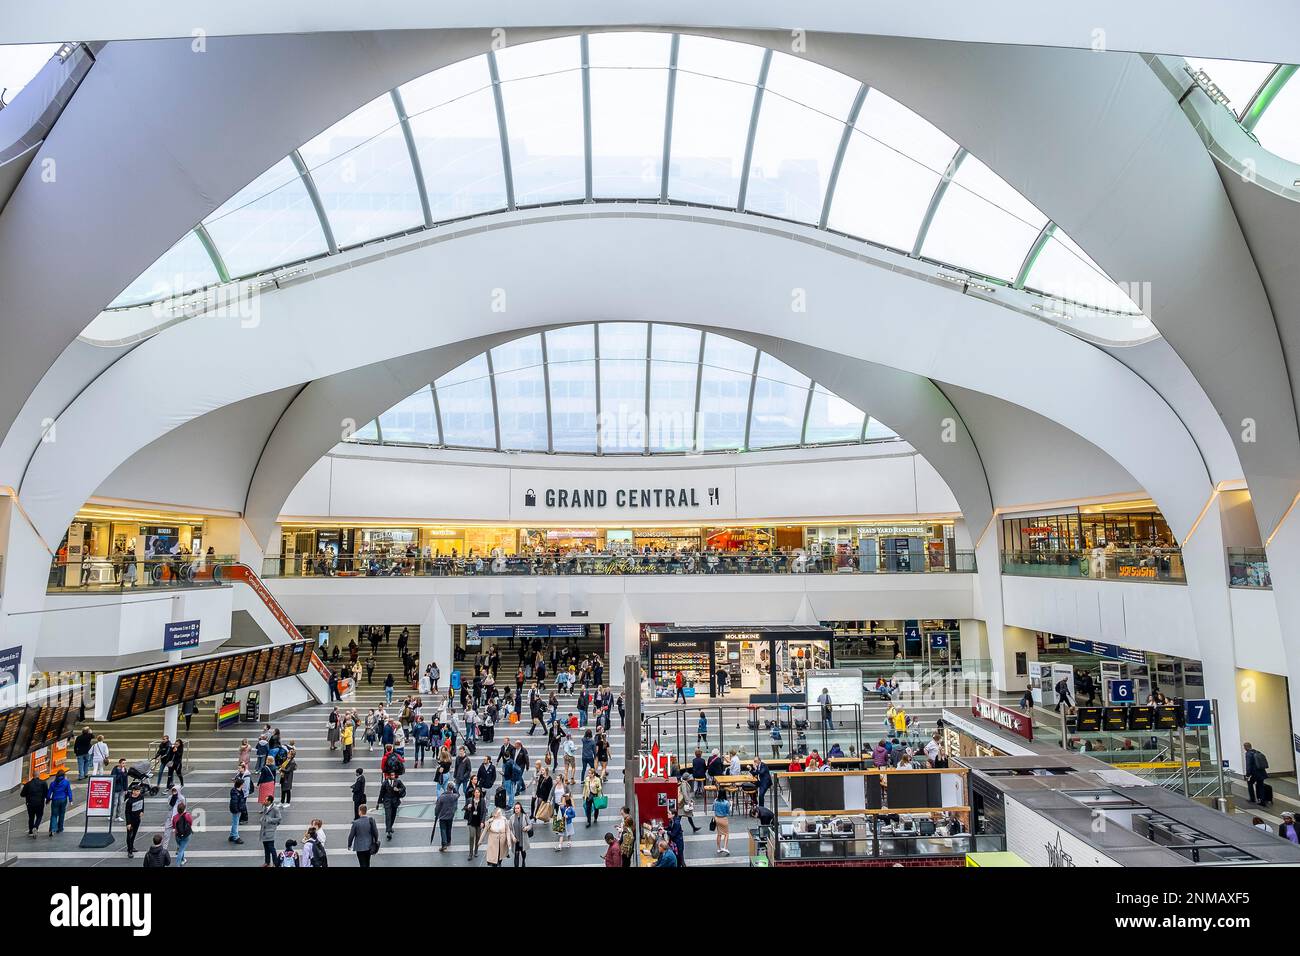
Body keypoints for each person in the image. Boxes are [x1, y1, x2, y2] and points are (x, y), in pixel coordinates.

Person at [378, 773, 406, 840]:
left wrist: (398, 790)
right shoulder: (385, 783)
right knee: (388, 816)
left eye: (394, 775)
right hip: (387, 801)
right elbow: (381, 793)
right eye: (391, 775)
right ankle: (388, 832)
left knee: (393, 815)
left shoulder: (398, 781)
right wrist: (378, 802)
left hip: (395, 801)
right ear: (388, 776)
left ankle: (390, 827)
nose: (393, 776)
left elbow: (403, 788)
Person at [433, 781, 459, 850]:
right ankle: (448, 841)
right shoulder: (454, 796)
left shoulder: (442, 797)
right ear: (452, 789)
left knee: (443, 830)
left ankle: (444, 844)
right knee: (449, 829)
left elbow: (437, 807)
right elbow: (458, 794)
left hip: (442, 816)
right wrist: (454, 788)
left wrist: (436, 814)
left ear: (447, 788)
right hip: (450, 815)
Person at [463, 785, 488, 859]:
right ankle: (470, 853)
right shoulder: (470, 800)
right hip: (471, 821)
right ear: (474, 793)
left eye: (478, 792)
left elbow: (484, 812)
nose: (477, 794)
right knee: (471, 836)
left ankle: (476, 851)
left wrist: (483, 822)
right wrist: (468, 807)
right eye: (476, 792)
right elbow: (464, 808)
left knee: (478, 836)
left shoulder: (482, 800)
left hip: (479, 822)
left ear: (480, 793)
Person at [46, 769, 73, 835]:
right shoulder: (66, 782)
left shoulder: (53, 783)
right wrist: (70, 800)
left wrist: (48, 800)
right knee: (62, 814)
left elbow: (49, 793)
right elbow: (69, 791)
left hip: (55, 800)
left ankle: (52, 829)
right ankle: (60, 828)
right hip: (63, 799)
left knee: (54, 815)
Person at [259, 795, 282, 867]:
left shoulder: (275, 809)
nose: (264, 801)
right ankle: (267, 862)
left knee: (271, 848)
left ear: (269, 801)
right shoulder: (265, 807)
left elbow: (279, 819)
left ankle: (276, 863)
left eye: (266, 800)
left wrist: (270, 820)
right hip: (264, 830)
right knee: (266, 847)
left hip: (270, 831)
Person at [124, 782, 145, 858]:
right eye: (136, 791)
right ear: (133, 791)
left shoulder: (141, 797)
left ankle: (131, 846)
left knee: (134, 834)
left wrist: (142, 811)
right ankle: (129, 851)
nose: (137, 793)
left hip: (137, 819)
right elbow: (127, 812)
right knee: (129, 835)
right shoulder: (129, 801)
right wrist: (128, 823)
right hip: (131, 820)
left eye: (138, 791)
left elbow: (142, 804)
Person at [509, 801, 533, 867]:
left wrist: (526, 828)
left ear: (520, 808)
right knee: (516, 854)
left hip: (523, 838)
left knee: (523, 852)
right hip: (515, 840)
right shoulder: (512, 817)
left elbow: (530, 824)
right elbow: (509, 829)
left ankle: (523, 861)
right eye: (515, 808)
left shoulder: (525, 816)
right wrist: (513, 837)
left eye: (518, 808)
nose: (516, 810)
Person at [172, 799, 194, 866]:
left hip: (177, 835)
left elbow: (173, 826)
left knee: (181, 847)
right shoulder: (187, 815)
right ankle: (177, 865)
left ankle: (183, 859)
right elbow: (190, 823)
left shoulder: (175, 817)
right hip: (186, 835)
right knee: (181, 850)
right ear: (184, 809)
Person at [713, 789, 732, 856]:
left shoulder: (715, 801)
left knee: (719, 834)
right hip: (723, 819)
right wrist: (730, 806)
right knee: (726, 834)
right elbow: (728, 812)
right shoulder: (726, 802)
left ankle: (719, 848)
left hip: (717, 818)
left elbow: (713, 809)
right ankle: (725, 847)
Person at [228, 776, 247, 843]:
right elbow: (234, 802)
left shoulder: (238, 791)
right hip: (236, 810)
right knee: (235, 823)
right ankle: (236, 837)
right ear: (240, 785)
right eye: (243, 784)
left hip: (238, 809)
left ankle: (232, 835)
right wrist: (236, 810)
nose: (244, 785)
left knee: (235, 822)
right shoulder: (235, 792)